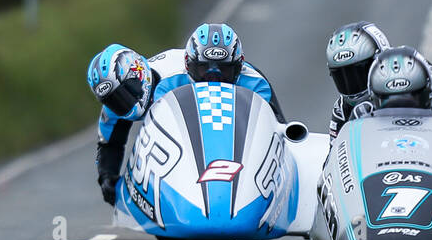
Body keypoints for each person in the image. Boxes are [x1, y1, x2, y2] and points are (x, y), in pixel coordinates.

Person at [85, 22, 284, 205]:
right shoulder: (164, 86)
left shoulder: (255, 81)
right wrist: (107, 176)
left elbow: (278, 129)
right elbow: (109, 141)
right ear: (189, 65)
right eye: (203, 71)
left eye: (224, 72)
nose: (212, 79)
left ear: (239, 67)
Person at [325, 20, 392, 139]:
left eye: (360, 72)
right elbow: (334, 152)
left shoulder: (417, 82)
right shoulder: (341, 109)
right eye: (342, 76)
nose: (351, 82)